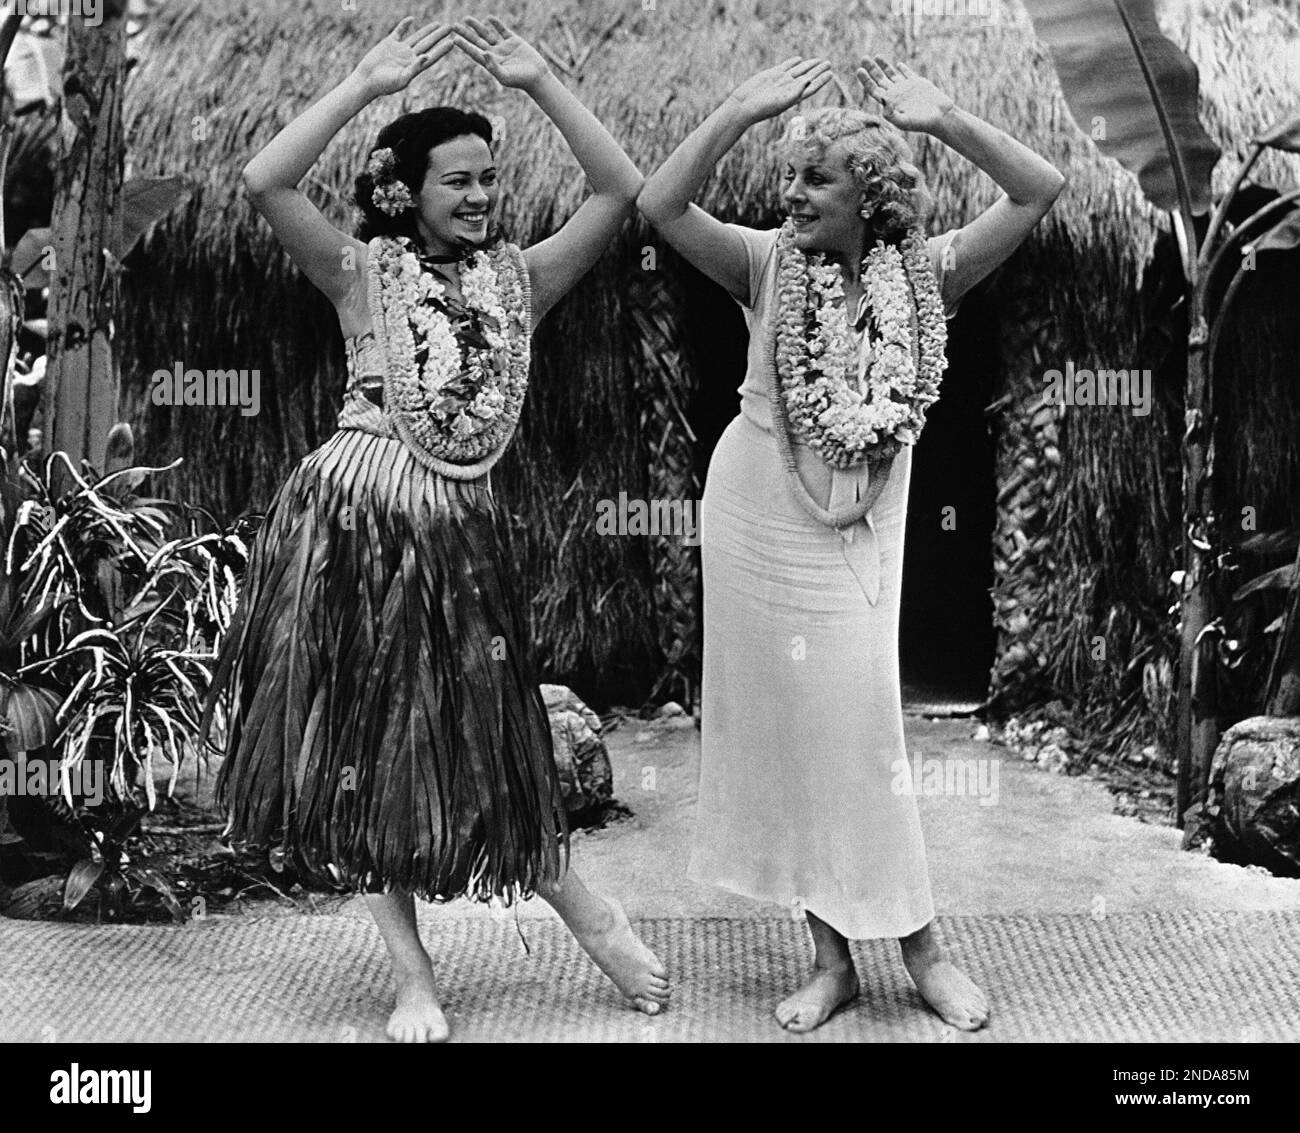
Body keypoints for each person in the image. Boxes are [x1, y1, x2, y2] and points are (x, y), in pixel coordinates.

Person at [200, 16, 669, 1043]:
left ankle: (593, 917)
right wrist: (364, 85)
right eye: (457, 180)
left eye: (487, 183)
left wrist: (542, 80)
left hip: (459, 537)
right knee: (361, 751)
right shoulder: (359, 272)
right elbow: (265, 182)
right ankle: (413, 975)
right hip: (348, 525)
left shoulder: (520, 281)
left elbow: (619, 189)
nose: (478, 199)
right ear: (406, 188)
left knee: (488, 741)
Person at [638, 55, 1064, 1032]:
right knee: (791, 735)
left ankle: (922, 949)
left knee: (861, 733)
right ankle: (828, 956)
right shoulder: (761, 262)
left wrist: (944, 115)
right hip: (753, 509)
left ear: (870, 197)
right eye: (786, 176)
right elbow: (660, 205)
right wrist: (739, 106)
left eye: (814, 178)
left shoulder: (927, 274)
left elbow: (1040, 189)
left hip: (859, 525)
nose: (791, 195)